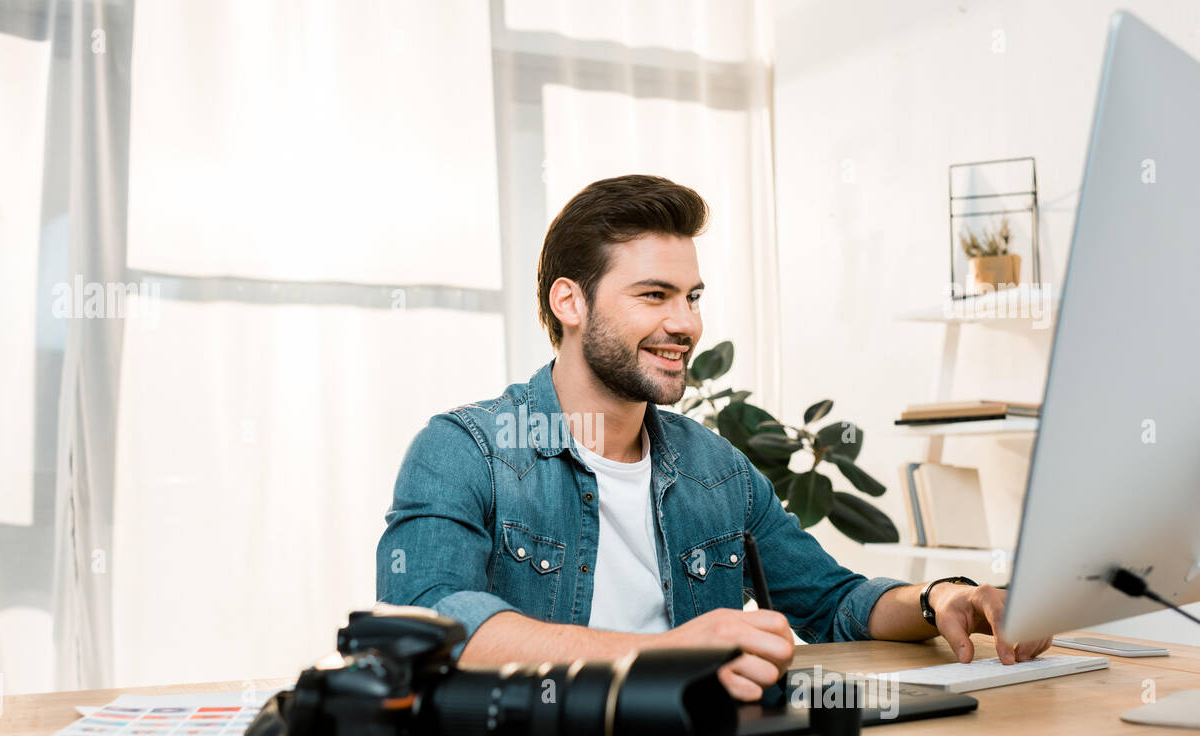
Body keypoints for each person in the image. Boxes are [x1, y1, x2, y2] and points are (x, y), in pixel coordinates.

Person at [376, 174, 1050, 701]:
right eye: (654, 295)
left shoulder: (714, 468)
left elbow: (831, 600)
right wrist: (668, 651)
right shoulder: (465, 451)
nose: (687, 324)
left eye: (692, 297)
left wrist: (943, 600)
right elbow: (432, 625)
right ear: (569, 303)